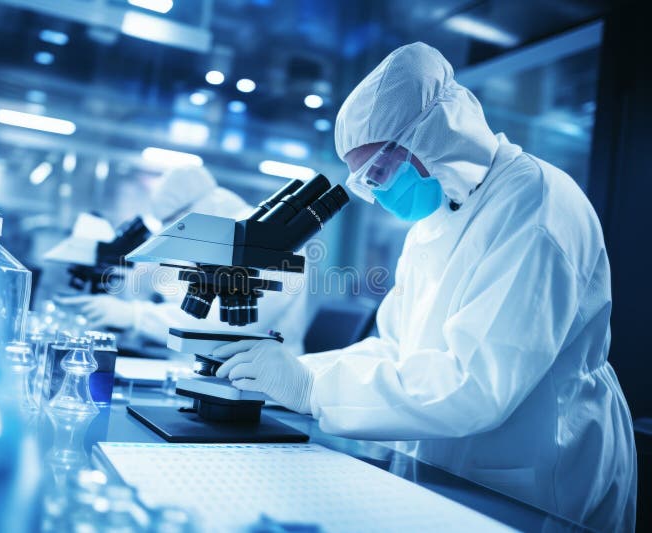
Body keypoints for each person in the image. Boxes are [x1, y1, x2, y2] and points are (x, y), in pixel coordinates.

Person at [214, 43, 636, 531]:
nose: (378, 195)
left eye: (378, 172)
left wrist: (313, 389)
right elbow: (395, 349)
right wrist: (286, 374)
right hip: (452, 457)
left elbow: (476, 383)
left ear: (434, 135)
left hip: (542, 467)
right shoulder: (435, 222)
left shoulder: (535, 203)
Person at [58, 165, 308, 353]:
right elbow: (191, 304)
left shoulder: (269, 238)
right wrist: (142, 285)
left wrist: (135, 316)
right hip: (205, 371)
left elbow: (231, 325)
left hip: (263, 390)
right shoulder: (216, 242)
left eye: (178, 224)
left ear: (203, 205)